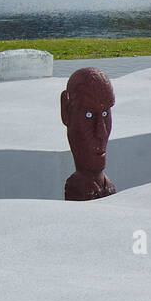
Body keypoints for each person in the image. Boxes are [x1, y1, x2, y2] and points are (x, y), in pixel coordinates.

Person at [60, 68, 116, 201]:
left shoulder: (107, 186)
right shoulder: (77, 187)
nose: (101, 133)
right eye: (88, 115)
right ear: (66, 111)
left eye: (105, 114)